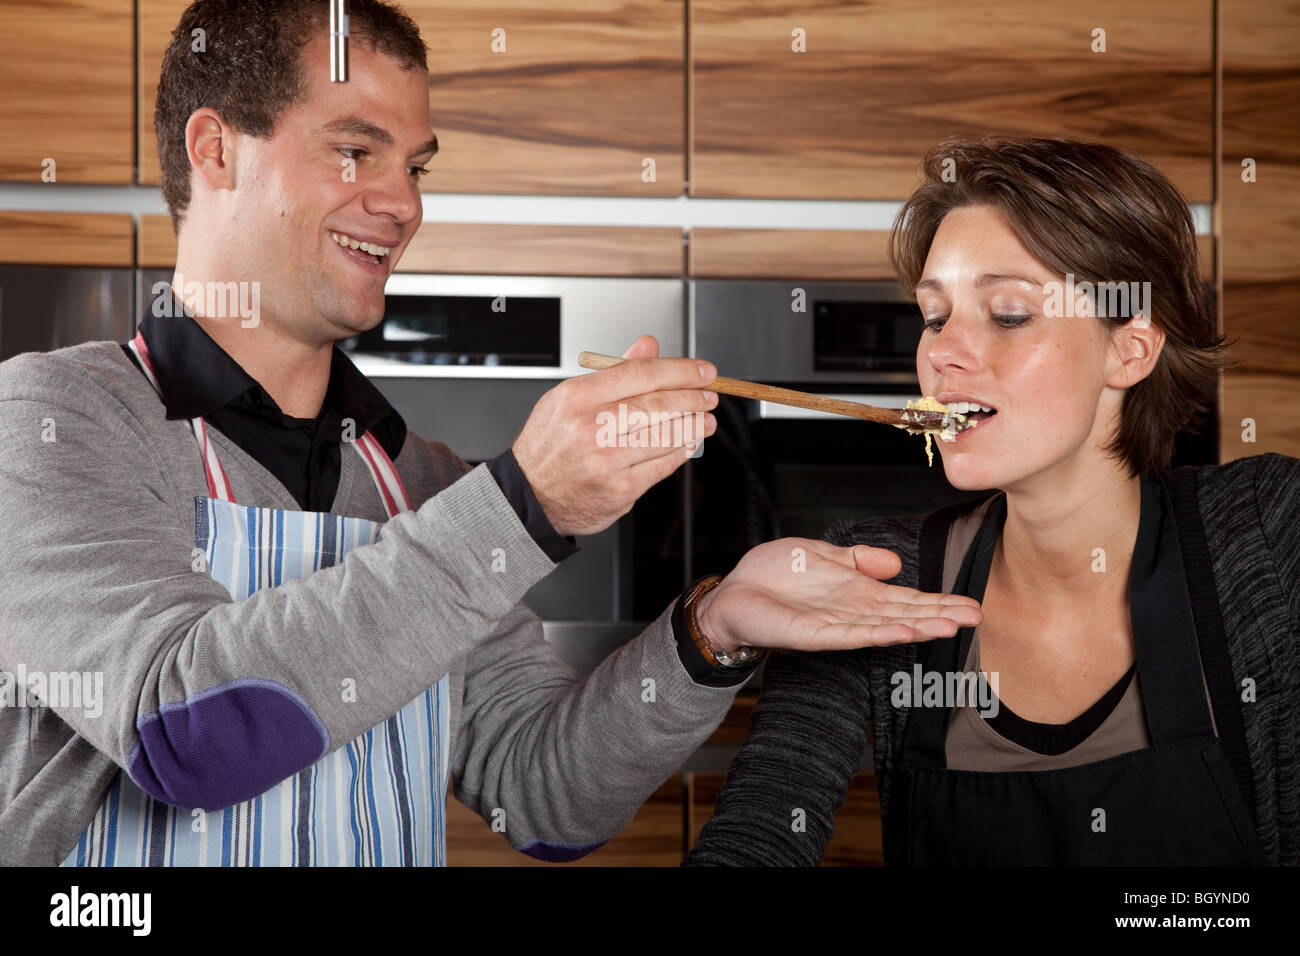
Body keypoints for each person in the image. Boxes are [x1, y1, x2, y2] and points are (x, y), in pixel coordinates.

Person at [0, 0, 982, 867]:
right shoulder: (58, 420)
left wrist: (707, 629)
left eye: (415, 164)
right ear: (217, 149)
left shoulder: (417, 479)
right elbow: (189, 732)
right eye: (356, 149)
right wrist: (524, 505)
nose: (403, 203)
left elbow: (545, 792)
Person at [684, 137, 1300, 866]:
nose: (942, 352)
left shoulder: (1267, 529)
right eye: (935, 316)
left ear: (1130, 350)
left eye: (1008, 314)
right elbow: (758, 838)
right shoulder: (882, 575)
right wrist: (713, 623)